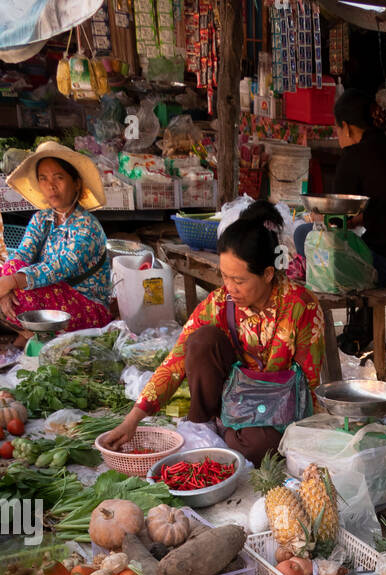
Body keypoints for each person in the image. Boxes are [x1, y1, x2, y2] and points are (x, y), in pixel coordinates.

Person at [102, 201, 324, 465]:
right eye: (225, 277)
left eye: (239, 280)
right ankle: (206, 424)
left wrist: (304, 435)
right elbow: (175, 361)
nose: (229, 288)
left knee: (257, 448)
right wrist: (132, 420)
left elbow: (307, 384)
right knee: (201, 340)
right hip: (233, 396)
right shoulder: (221, 302)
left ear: (267, 274)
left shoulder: (300, 305)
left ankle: (230, 431)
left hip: (277, 407)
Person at [294, 88, 386, 359]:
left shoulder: (354, 157)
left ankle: (358, 335)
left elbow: (334, 225)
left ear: (348, 128)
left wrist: (317, 218)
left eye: (338, 130)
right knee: (382, 250)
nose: (338, 137)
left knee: (305, 234)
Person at [0, 141, 112, 338]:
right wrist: (6, 287)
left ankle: (28, 336)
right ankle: (28, 335)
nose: (50, 186)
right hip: (53, 295)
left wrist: (11, 282)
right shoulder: (41, 218)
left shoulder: (87, 226)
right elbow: (21, 254)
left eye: (58, 177)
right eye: (43, 179)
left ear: (76, 182)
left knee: (18, 289)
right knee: (11, 268)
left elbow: (58, 268)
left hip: (87, 307)